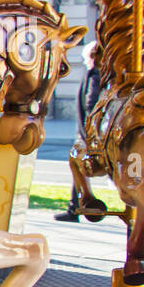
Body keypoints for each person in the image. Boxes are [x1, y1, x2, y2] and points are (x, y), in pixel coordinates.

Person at [55, 41, 102, 222]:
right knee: (77, 164)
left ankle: (77, 206)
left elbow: (90, 104)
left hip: (87, 132)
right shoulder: (91, 73)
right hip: (85, 130)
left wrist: (89, 131)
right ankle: (75, 206)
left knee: (76, 161)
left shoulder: (93, 74)